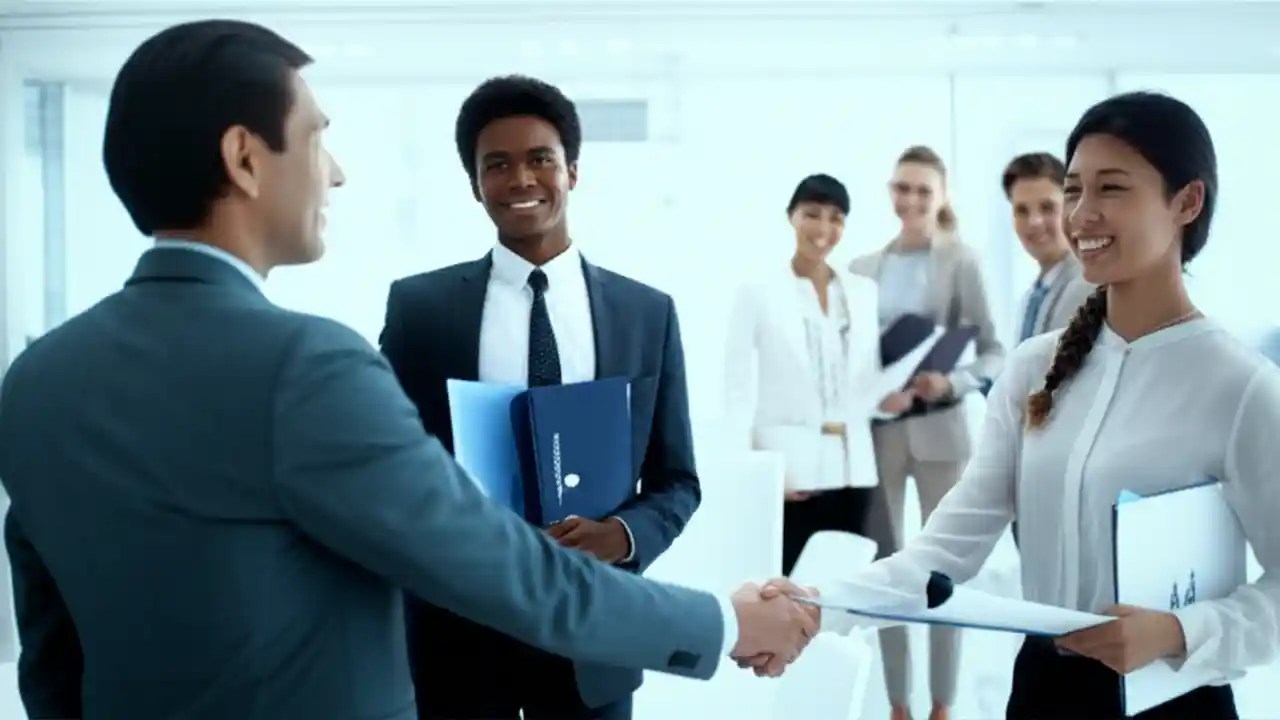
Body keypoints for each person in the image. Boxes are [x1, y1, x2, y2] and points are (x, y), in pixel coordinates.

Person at [0, 21, 819, 720]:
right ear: (245, 158)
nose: (335, 171)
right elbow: (497, 565)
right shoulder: (309, 366)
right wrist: (727, 623)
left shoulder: (36, 381)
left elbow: (51, 658)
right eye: (317, 138)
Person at [796, 90, 1280, 719]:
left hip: (1174, 700)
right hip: (1042, 693)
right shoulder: (1032, 368)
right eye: (1074, 190)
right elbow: (943, 553)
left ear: (1187, 202)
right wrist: (814, 606)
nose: (1081, 215)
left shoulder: (1240, 386)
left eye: (1111, 189)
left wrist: (1178, 631)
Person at [379, 74, 703, 720]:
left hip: (595, 634)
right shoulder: (421, 310)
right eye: (497, 165)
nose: (521, 179)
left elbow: (678, 480)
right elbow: (390, 464)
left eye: (540, 159)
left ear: (572, 172)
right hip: (460, 632)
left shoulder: (647, 315)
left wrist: (621, 536)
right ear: (475, 185)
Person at [851, 144, 1005, 720]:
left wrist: (950, 383)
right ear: (889, 192)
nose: (911, 200)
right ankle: (899, 703)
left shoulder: (962, 262)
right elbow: (852, 362)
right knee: (887, 569)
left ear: (941, 197)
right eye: (902, 188)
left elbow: (993, 352)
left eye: (923, 190)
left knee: (942, 571)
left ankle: (943, 704)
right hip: (881, 436)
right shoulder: (862, 269)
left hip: (942, 431)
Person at [723, 174, 902, 577]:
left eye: (836, 218)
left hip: (854, 468)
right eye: (812, 214)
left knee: (846, 586)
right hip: (792, 473)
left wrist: (889, 401)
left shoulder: (862, 292)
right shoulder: (758, 292)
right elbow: (736, 391)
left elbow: (865, 380)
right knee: (787, 587)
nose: (823, 228)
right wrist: (761, 473)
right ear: (792, 216)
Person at [1003, 152, 1095, 343]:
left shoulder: (1086, 287)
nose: (1034, 222)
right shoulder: (1034, 296)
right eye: (1022, 210)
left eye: (1047, 207)